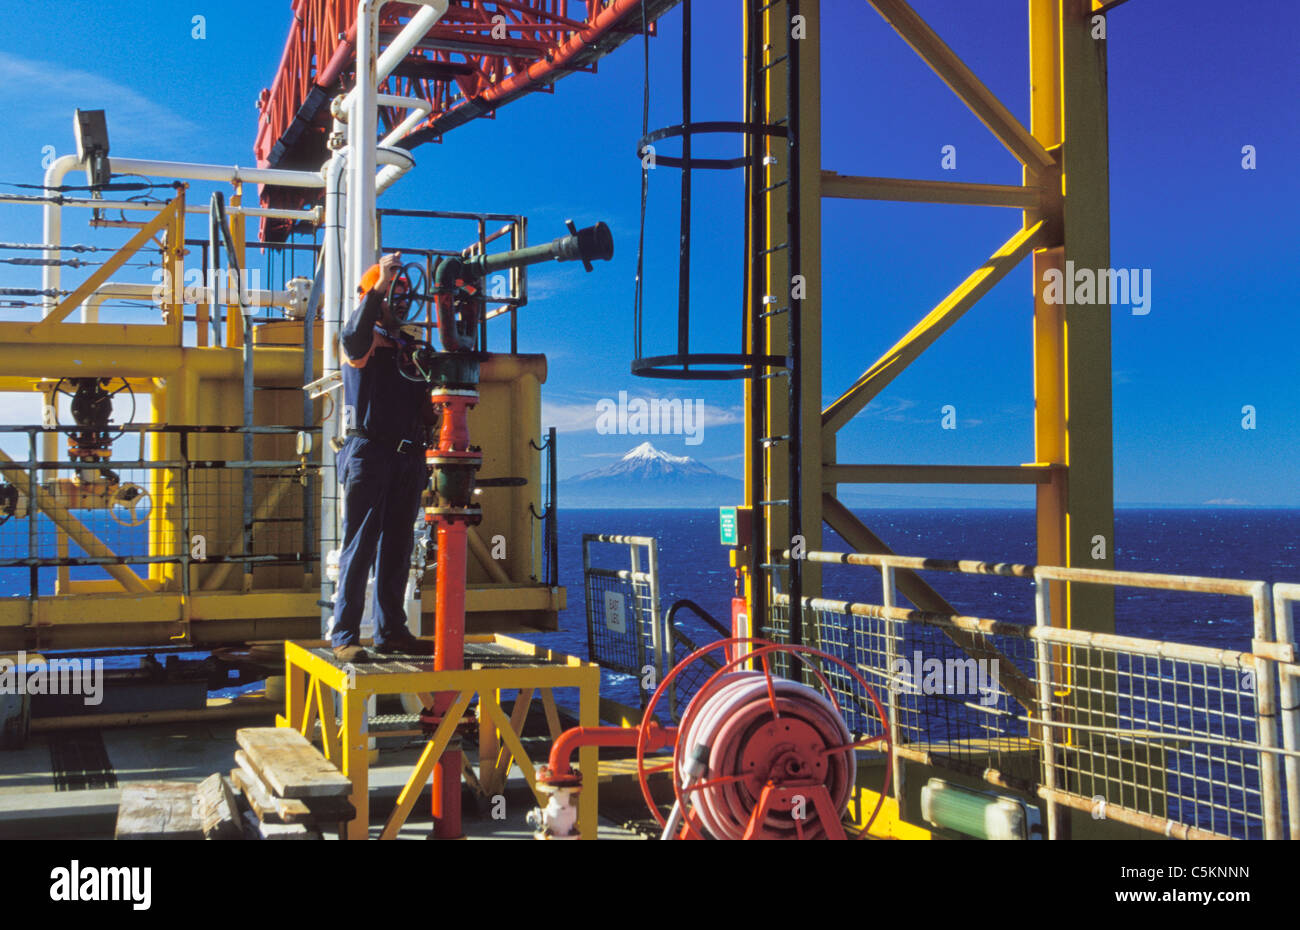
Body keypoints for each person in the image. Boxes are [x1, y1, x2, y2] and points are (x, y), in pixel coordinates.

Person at [331, 252, 436, 661]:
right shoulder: (361, 340)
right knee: (359, 545)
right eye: (394, 290)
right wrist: (378, 287)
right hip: (370, 453)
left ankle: (392, 631)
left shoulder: (408, 346)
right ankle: (344, 636)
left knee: (397, 545)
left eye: (403, 292)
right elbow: (355, 336)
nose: (401, 300)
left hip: (407, 458)